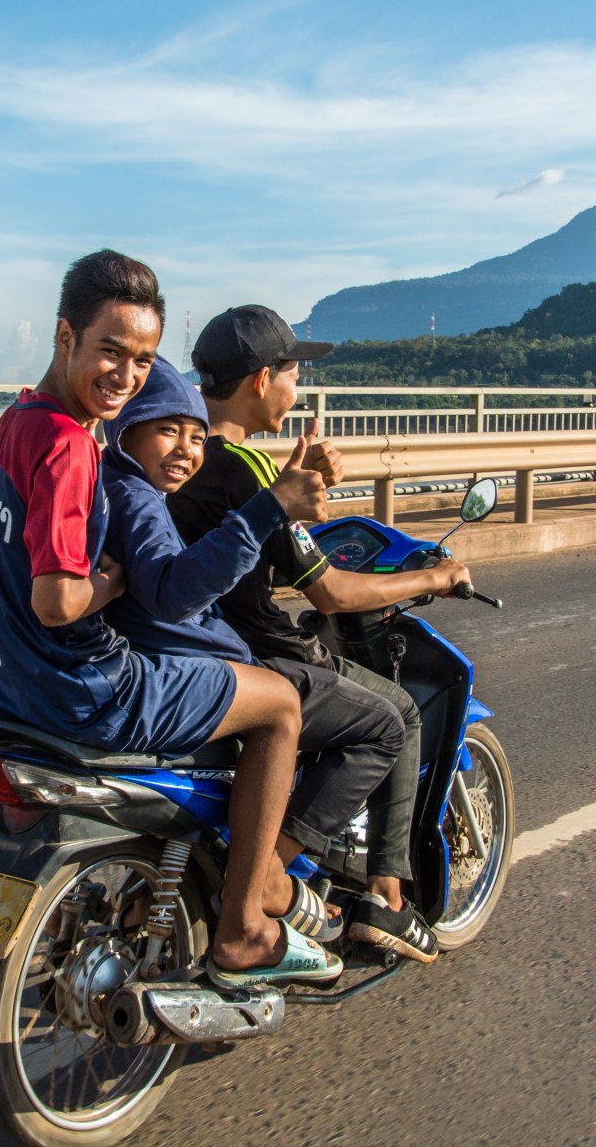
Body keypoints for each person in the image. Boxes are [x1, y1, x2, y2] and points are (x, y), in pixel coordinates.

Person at [0, 251, 339, 988]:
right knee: (281, 706)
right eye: (110, 351)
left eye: (142, 360)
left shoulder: (15, 424)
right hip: (82, 688)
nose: (124, 376)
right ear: (65, 336)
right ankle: (245, 925)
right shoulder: (70, 446)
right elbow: (57, 601)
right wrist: (106, 582)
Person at [170, 305, 473, 964]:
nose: (298, 385)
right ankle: (332, 886)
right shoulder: (248, 472)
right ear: (261, 380)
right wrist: (435, 578)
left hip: (192, 652)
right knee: (396, 717)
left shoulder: (177, 454)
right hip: (261, 657)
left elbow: (247, 539)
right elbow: (332, 592)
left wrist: (296, 483)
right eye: (293, 371)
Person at [97, 356, 405, 917]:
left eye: (195, 436)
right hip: (193, 665)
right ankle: (264, 876)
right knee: (378, 721)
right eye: (168, 430)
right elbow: (324, 592)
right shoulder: (152, 495)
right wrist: (273, 506)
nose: (186, 450)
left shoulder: (115, 486)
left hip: (160, 658)